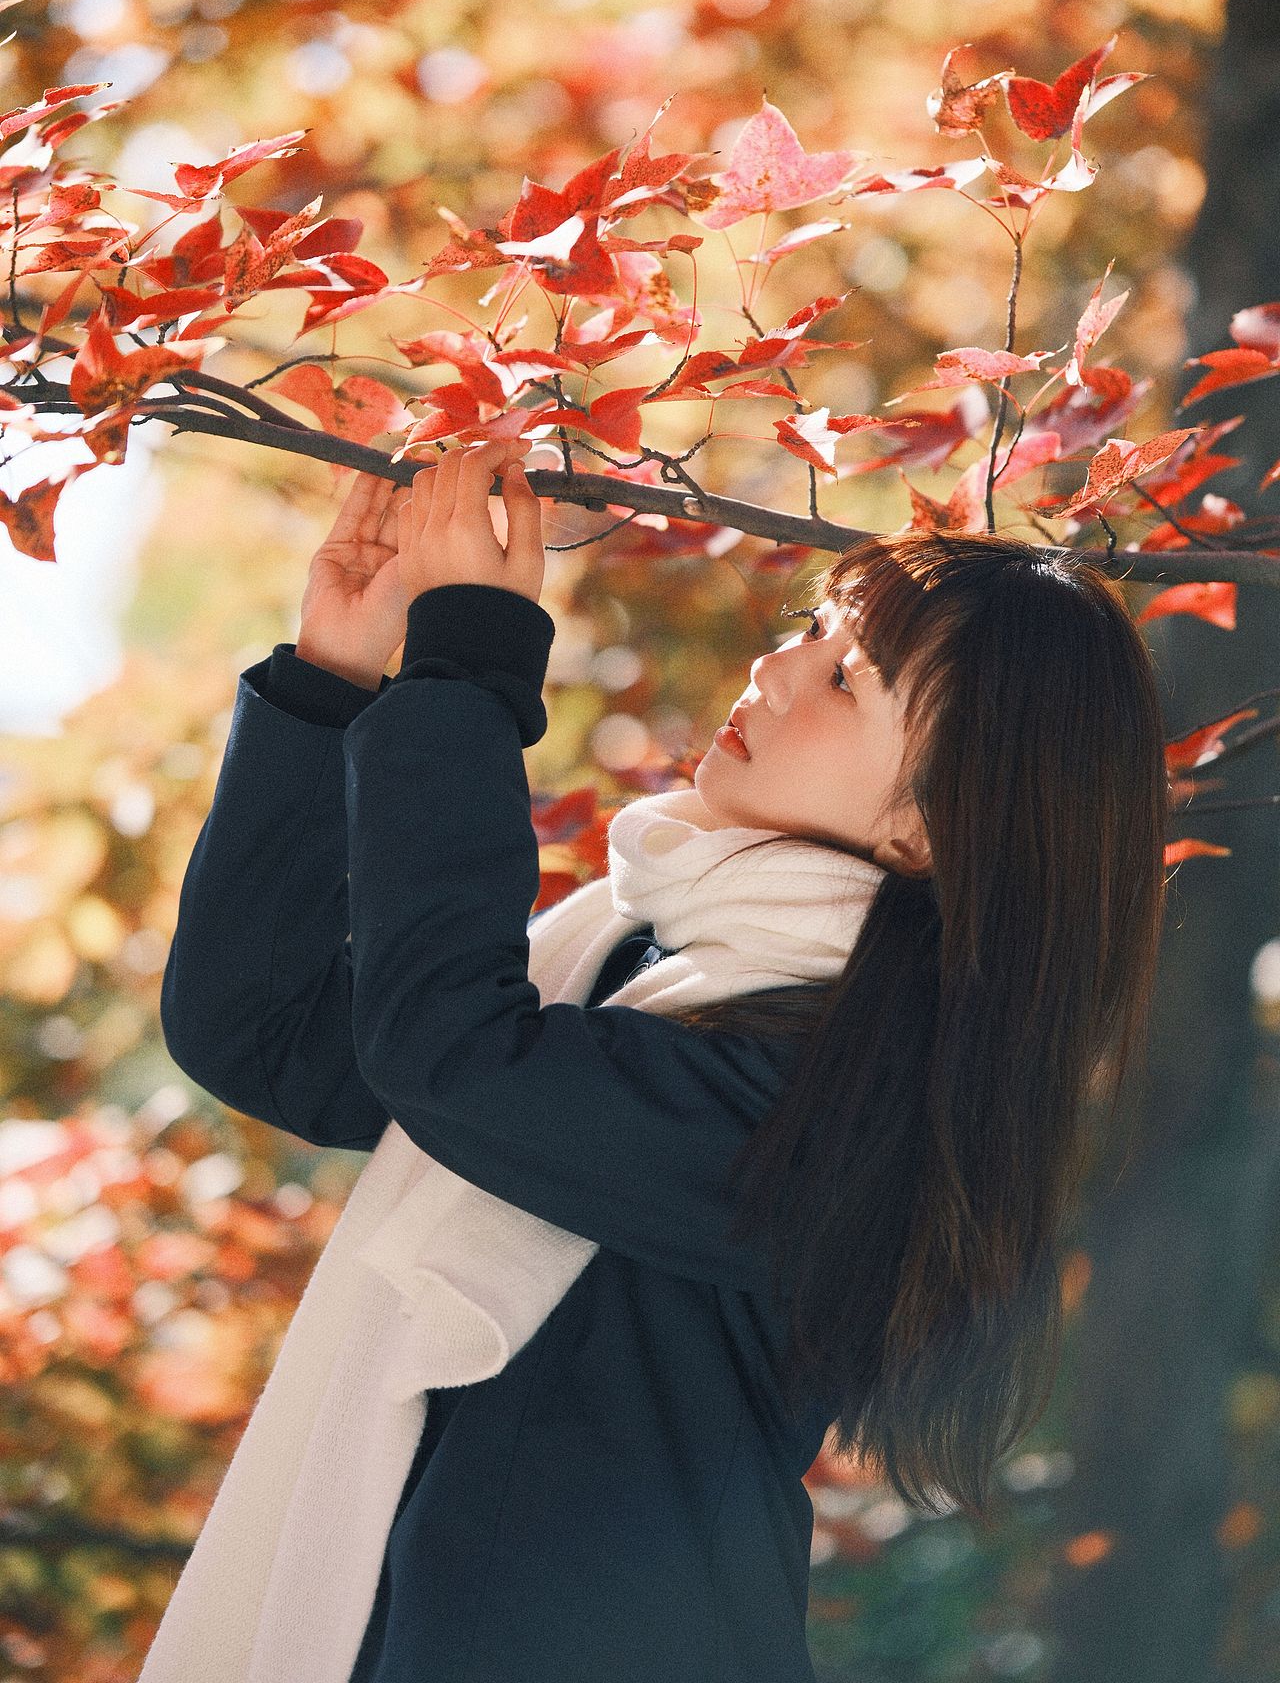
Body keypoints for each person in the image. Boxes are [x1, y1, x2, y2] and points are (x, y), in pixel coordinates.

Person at [158, 439, 1171, 1681]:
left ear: (933, 826)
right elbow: (271, 1038)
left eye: (846, 677)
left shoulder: (852, 1099)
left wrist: (470, 662)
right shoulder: (628, 963)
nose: (777, 666)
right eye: (810, 626)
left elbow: (454, 1054)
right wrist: (328, 681)